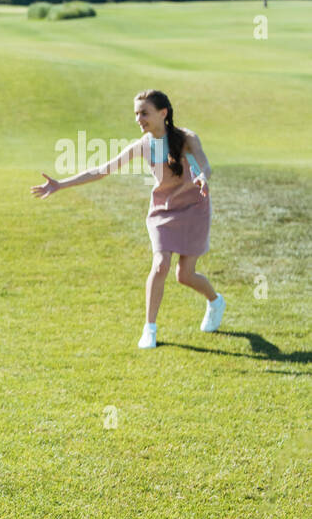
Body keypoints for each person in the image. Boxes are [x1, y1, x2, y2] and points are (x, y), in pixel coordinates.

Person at [31, 89, 223, 348]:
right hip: (162, 210)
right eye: (136, 114)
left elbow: (205, 164)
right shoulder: (143, 145)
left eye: (144, 113)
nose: (138, 119)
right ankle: (150, 329)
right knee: (160, 264)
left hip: (193, 208)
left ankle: (215, 301)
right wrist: (60, 184)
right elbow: (102, 170)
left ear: (162, 113)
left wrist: (202, 177)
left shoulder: (187, 138)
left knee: (184, 276)